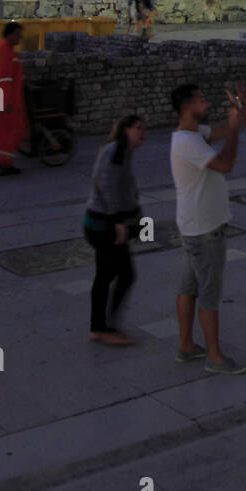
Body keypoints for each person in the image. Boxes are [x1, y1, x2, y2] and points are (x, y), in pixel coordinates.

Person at [170, 81, 246, 375]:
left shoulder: (191, 135)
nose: (208, 104)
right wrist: (236, 130)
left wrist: (238, 110)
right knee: (209, 293)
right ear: (187, 107)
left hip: (193, 227)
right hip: (205, 230)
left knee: (189, 287)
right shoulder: (189, 143)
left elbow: (223, 130)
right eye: (202, 100)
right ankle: (215, 357)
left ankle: (186, 345)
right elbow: (226, 164)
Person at [83, 116, 145, 346]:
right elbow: (104, 183)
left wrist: (136, 218)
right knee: (125, 274)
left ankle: (99, 327)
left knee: (106, 275)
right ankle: (104, 327)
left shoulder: (124, 152)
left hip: (104, 224)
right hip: (103, 226)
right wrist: (118, 221)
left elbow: (125, 190)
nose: (143, 133)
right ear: (126, 130)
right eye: (138, 128)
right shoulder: (115, 149)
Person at [0, 21, 28, 175]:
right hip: (6, 96)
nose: (20, 38)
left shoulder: (3, 50)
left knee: (4, 130)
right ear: (10, 35)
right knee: (14, 130)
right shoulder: (6, 52)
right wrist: (7, 102)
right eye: (18, 34)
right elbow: (4, 79)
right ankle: (4, 162)